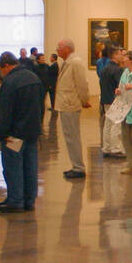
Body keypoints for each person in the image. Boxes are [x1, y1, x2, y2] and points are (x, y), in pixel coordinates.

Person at [0, 51, 44, 212]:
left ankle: (15, 200)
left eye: (1, 70)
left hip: (14, 133)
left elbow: (6, 110)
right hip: (32, 130)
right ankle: (29, 200)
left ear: (6, 66)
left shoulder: (9, 82)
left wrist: (3, 132)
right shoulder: (33, 77)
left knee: (13, 167)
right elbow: (41, 106)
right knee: (30, 166)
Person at [54, 38, 91, 179]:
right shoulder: (68, 62)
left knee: (72, 137)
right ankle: (76, 165)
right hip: (65, 104)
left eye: (59, 47)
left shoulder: (75, 62)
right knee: (69, 137)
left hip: (70, 104)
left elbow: (81, 83)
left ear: (67, 49)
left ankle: (79, 167)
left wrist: (85, 99)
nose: (57, 50)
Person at [96, 42, 125, 158]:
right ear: (114, 55)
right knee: (116, 125)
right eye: (119, 54)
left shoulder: (104, 69)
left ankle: (106, 147)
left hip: (105, 99)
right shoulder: (117, 70)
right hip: (115, 99)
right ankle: (115, 149)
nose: (122, 56)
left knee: (107, 124)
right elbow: (120, 86)